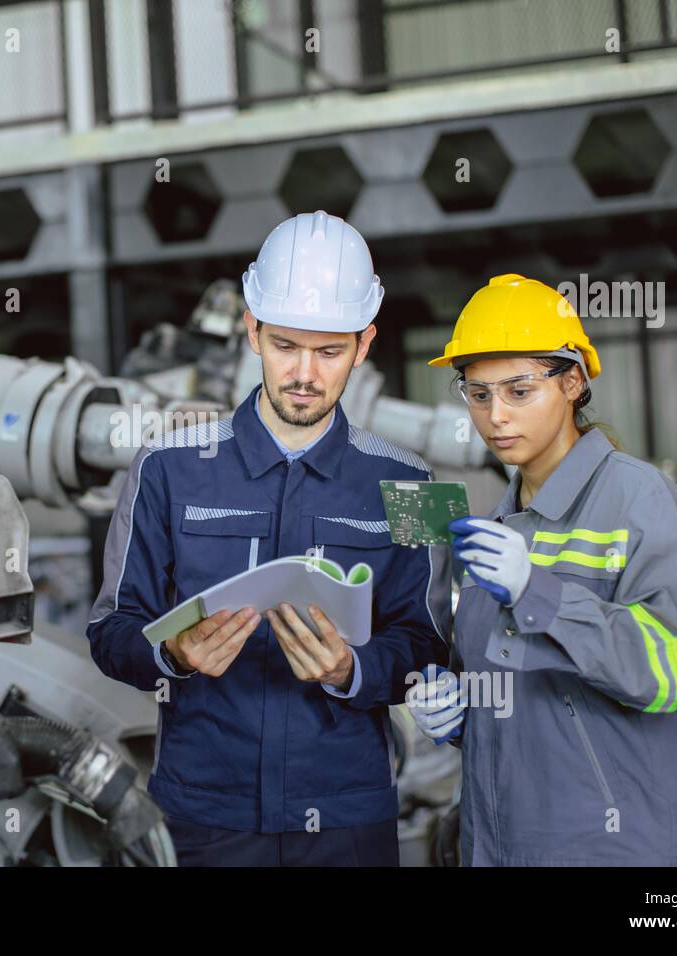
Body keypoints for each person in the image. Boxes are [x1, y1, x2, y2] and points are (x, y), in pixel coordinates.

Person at [86, 211, 452, 866]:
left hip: (347, 818)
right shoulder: (164, 467)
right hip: (203, 817)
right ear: (252, 330)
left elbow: (430, 644)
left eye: (330, 350)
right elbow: (112, 630)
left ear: (365, 344)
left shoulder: (416, 481)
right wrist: (172, 651)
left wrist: (353, 669)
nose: (305, 373)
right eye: (285, 345)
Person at [406, 273, 677, 865]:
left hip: (614, 847)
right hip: (502, 842)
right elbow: (531, 700)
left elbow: (672, 670)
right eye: (477, 394)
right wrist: (456, 709)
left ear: (572, 380)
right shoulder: (498, 526)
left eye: (519, 390)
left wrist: (538, 593)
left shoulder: (639, 500)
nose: (496, 415)